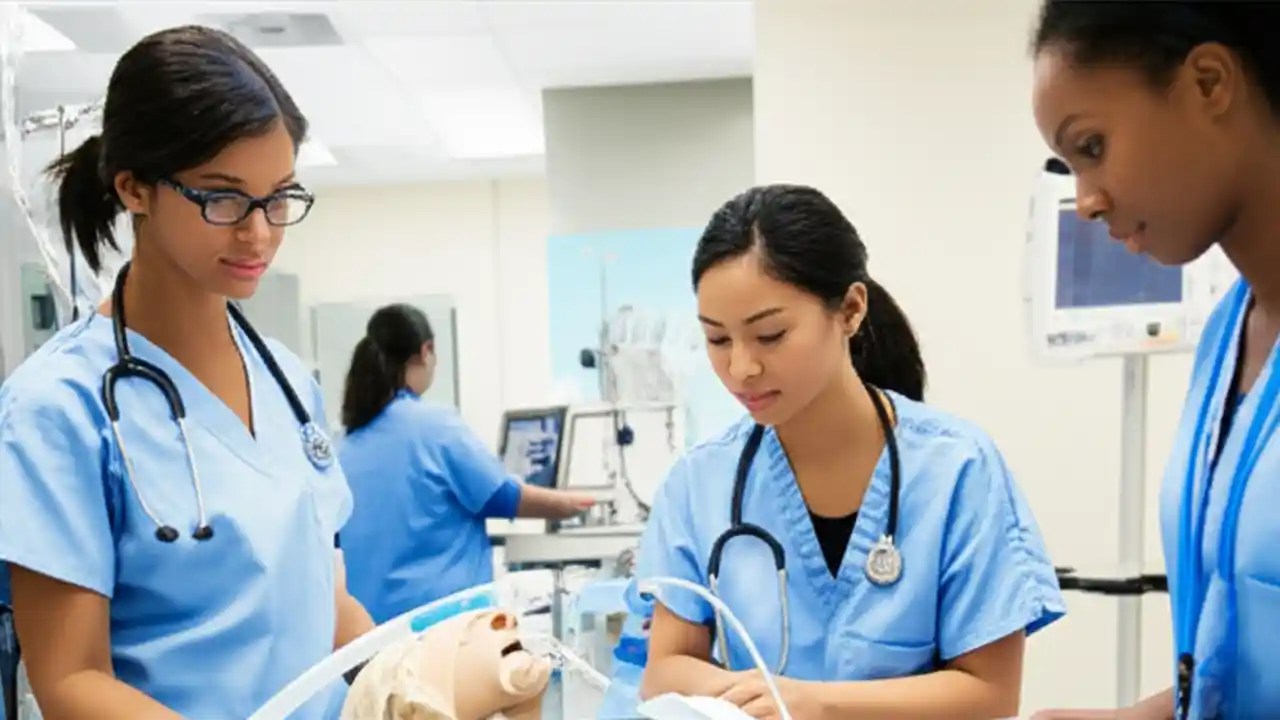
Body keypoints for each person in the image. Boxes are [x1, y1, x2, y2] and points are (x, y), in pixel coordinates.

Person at [0, 25, 374, 719]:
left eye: (279, 198)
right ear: (135, 188)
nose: (259, 233)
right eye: (223, 198)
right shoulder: (58, 409)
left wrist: (418, 676)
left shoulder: (290, 384)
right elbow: (71, 681)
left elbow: (324, 600)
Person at [634, 184, 1066, 719]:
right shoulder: (701, 483)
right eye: (718, 340)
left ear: (851, 310)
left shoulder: (957, 469)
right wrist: (761, 698)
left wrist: (815, 704)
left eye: (770, 335)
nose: (741, 368)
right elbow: (666, 669)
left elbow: (989, 692)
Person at [1029, 2, 1280, 719]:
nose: (1086, 202)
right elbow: (1234, 664)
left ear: (1208, 82)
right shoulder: (1229, 336)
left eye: (1093, 146)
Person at [336, 304, 597, 625]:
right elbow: (503, 497)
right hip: (441, 628)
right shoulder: (434, 426)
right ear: (426, 351)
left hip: (371, 632)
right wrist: (574, 504)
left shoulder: (346, 443)